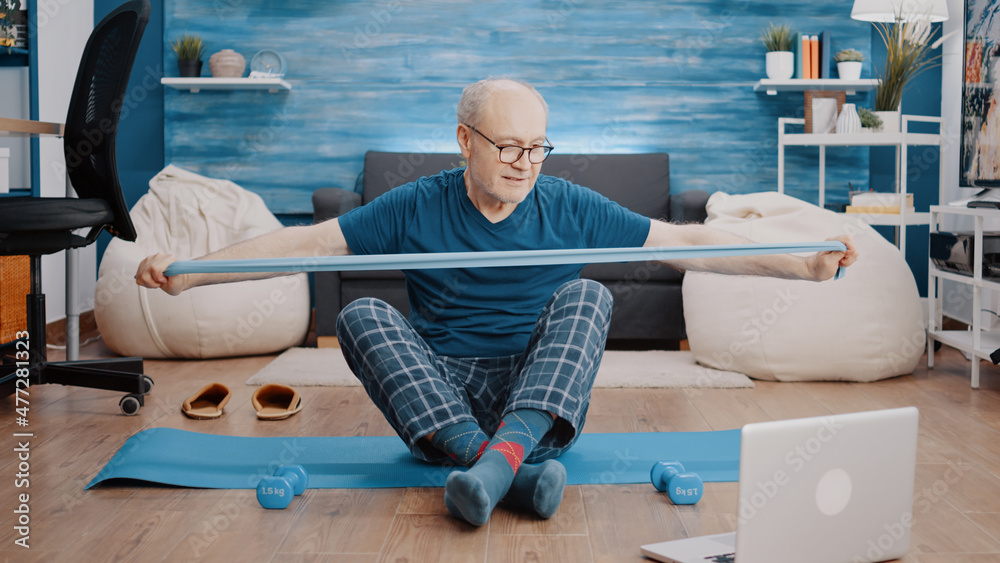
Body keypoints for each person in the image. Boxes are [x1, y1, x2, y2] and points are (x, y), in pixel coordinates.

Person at [136, 77, 858, 526]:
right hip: (439, 394)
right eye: (508, 145)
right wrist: (189, 273)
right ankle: (499, 468)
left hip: (534, 393)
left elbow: (689, 242)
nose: (524, 163)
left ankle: (495, 461)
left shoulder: (567, 204)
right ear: (464, 141)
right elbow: (302, 245)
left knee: (585, 295)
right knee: (361, 315)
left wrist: (803, 263)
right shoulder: (415, 203)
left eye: (538, 147)